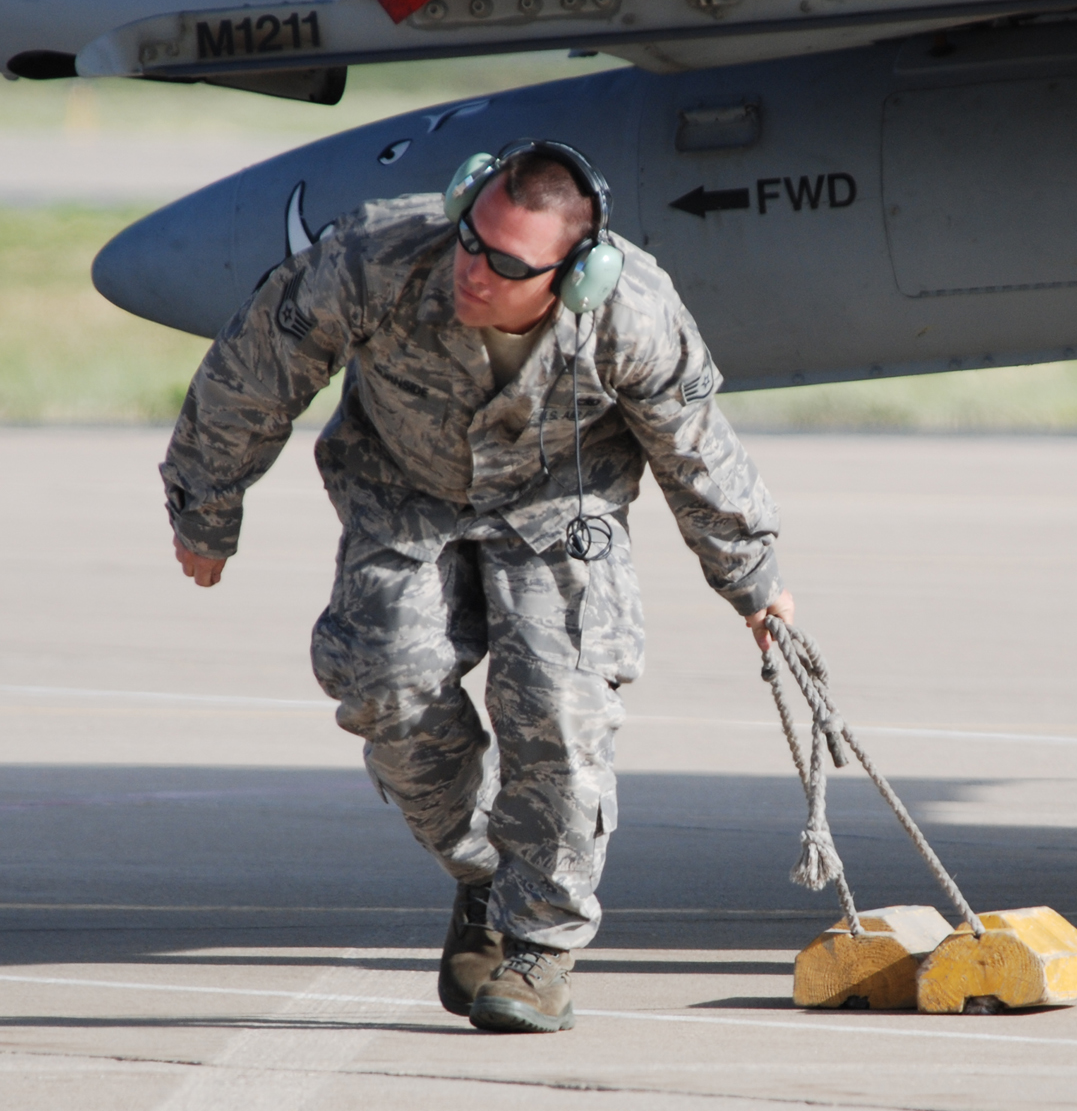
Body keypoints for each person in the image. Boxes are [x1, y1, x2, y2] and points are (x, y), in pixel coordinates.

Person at [161, 139, 793, 1034]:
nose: (474, 269)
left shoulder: (632, 312)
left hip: (559, 509)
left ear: (575, 275)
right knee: (386, 682)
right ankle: (487, 873)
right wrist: (205, 508)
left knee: (559, 708)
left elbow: (695, 450)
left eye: (508, 264)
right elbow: (253, 373)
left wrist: (753, 579)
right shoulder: (374, 257)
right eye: (471, 239)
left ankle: (537, 951)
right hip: (401, 494)